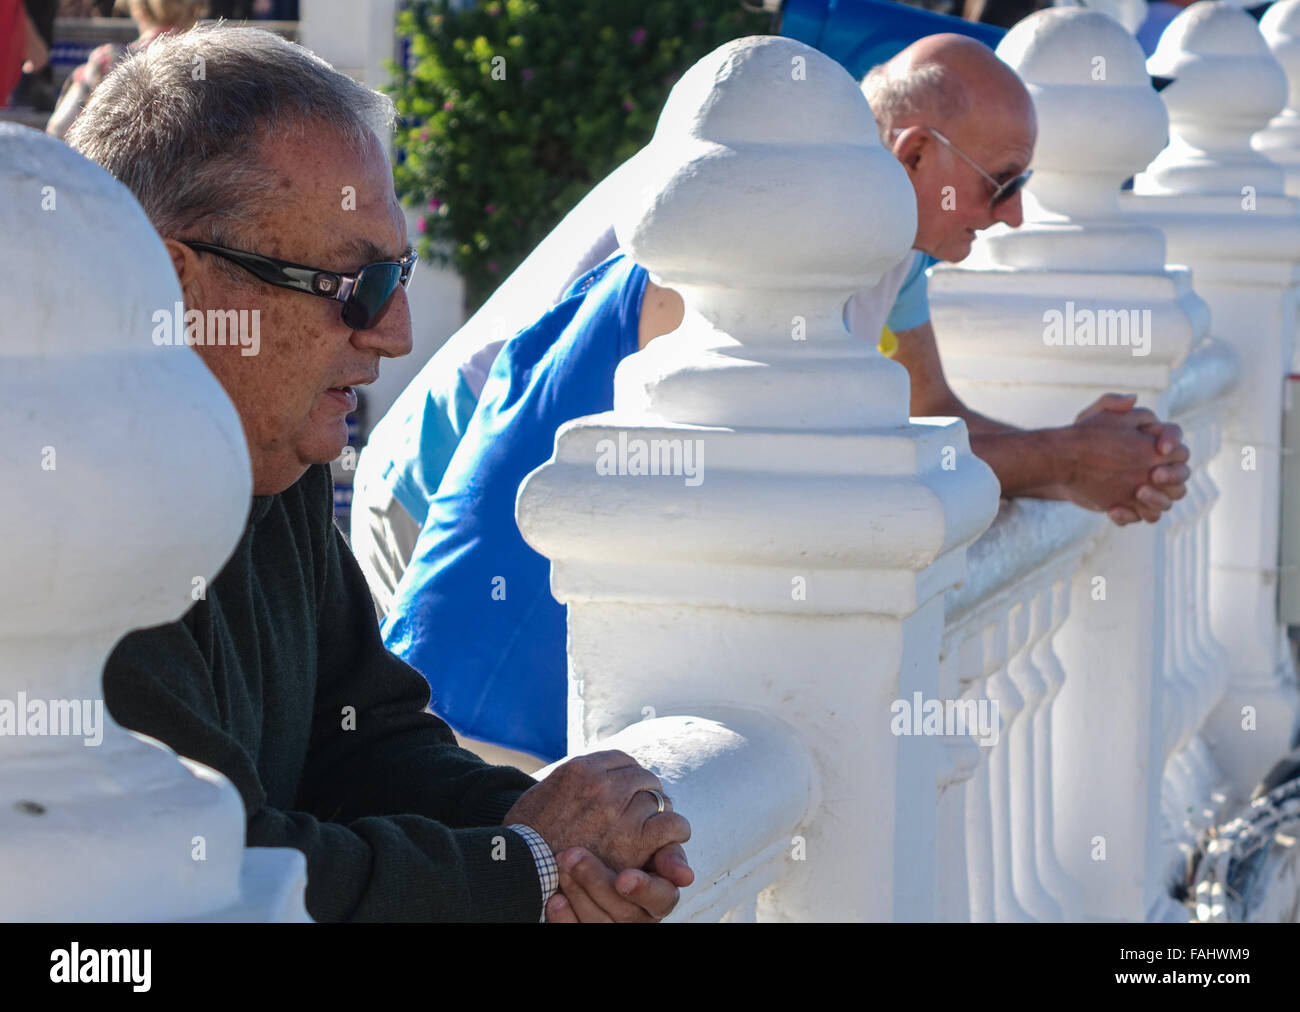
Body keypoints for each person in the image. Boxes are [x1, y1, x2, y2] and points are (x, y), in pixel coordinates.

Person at [353, 33, 1191, 767]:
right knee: (461, 797)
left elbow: (926, 421)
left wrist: (1076, 454)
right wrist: (1068, 461)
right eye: (1002, 183)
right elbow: (805, 457)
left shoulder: (882, 236)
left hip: (548, 508)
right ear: (912, 156)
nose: (1011, 217)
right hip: (439, 490)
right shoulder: (777, 201)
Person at [68, 23, 691, 923]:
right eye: (352, 283)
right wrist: (522, 863)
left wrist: (549, 838)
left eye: (396, 274)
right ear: (176, 287)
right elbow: (209, 873)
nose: (395, 333)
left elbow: (358, 740)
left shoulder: (265, 452)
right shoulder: (59, 514)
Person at [45, 0, 201, 139]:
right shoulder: (201, 62)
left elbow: (58, 128)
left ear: (139, 11)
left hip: (119, 164)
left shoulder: (109, 59)